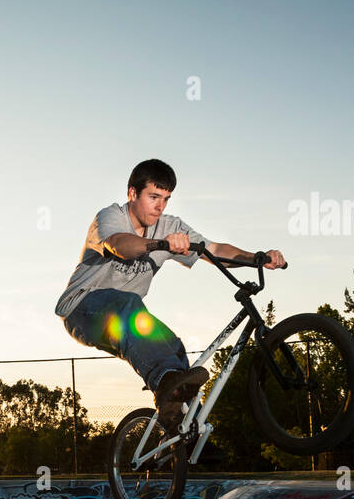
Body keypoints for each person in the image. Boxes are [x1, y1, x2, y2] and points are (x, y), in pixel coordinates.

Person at [55, 159, 286, 430]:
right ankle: (165, 384)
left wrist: (257, 257)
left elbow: (214, 250)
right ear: (132, 193)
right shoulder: (110, 217)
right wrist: (160, 245)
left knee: (173, 350)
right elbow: (119, 245)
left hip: (126, 319)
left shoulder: (170, 225)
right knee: (130, 307)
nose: (160, 207)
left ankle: (188, 431)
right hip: (83, 308)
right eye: (153, 197)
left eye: (165, 199)